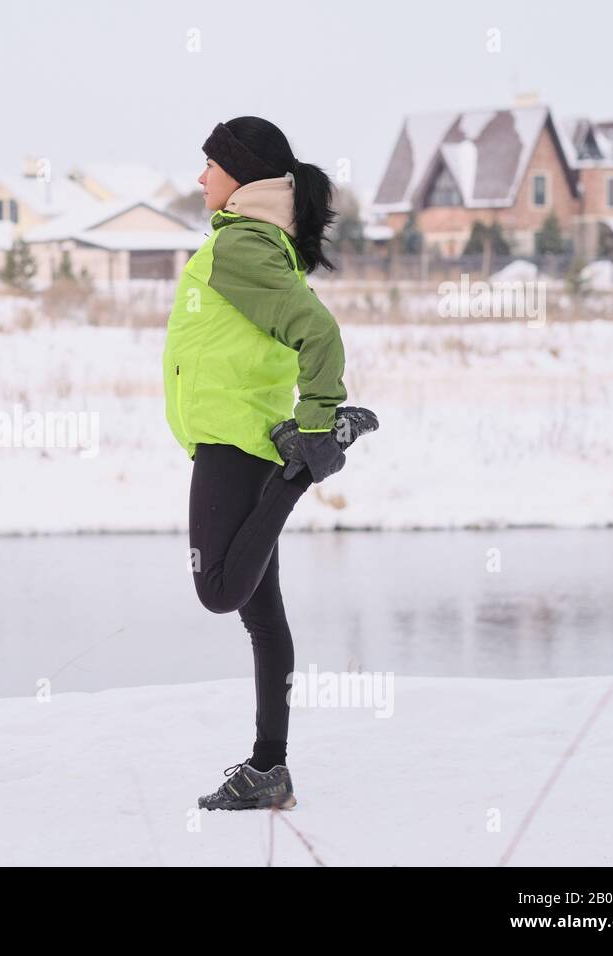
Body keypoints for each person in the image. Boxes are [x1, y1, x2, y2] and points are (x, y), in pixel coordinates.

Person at [162, 116, 379, 811]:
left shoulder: (242, 247)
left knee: (220, 591)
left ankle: (305, 468)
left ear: (242, 175)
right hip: (246, 435)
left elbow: (317, 332)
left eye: (209, 166)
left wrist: (316, 426)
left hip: (237, 443)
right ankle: (268, 770)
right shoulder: (253, 243)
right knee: (262, 618)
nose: (200, 177)